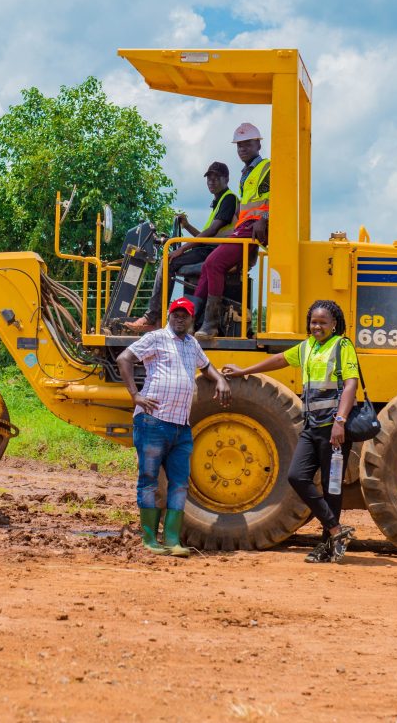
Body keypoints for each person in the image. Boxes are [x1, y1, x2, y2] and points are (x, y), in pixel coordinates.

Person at [221, 300, 359, 563]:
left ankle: (328, 546)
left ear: (334, 324)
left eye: (323, 322)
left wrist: (340, 421)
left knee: (332, 489)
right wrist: (244, 371)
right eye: (313, 322)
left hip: (333, 429)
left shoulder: (341, 346)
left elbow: (351, 385)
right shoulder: (307, 347)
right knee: (297, 476)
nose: (317, 326)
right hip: (312, 427)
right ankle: (336, 530)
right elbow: (279, 360)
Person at [117, 297, 231, 556]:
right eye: (176, 314)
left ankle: (171, 540)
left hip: (181, 426)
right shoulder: (156, 338)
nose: (180, 318)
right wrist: (135, 395)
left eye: (185, 314)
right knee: (150, 482)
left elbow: (207, 366)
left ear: (192, 319)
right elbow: (124, 359)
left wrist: (221, 380)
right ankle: (149, 539)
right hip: (153, 422)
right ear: (169, 315)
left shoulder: (192, 344)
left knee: (179, 484)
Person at [123, 161, 238, 333]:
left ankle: (152, 317)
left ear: (226, 179)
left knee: (168, 261)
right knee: (170, 259)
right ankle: (158, 316)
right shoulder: (219, 201)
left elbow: (211, 231)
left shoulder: (228, 199)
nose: (212, 182)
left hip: (216, 252)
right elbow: (208, 235)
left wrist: (182, 249)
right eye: (209, 178)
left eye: (216, 178)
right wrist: (188, 226)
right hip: (212, 249)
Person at [194, 123, 270, 341]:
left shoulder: (266, 168)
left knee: (212, 263)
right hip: (244, 228)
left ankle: (210, 325)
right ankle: (193, 319)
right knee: (209, 266)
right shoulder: (247, 173)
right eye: (239, 146)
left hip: (253, 229)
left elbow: (276, 197)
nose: (242, 149)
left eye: (247, 144)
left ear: (258, 144)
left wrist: (263, 219)